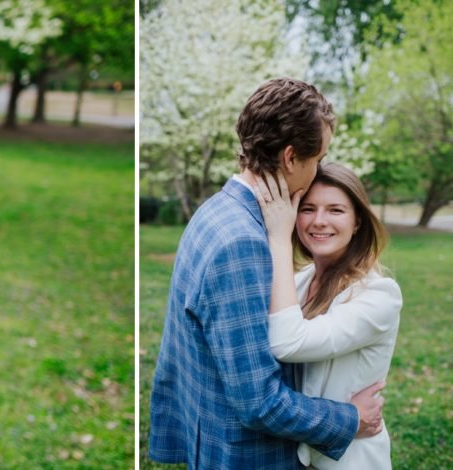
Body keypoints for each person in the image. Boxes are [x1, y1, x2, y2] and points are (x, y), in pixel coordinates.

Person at [148, 77, 386, 468]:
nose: (318, 170)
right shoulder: (243, 243)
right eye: (317, 159)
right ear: (291, 158)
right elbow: (258, 402)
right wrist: (351, 419)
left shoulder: (216, 209)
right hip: (247, 455)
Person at [254, 163, 401, 469]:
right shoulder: (300, 281)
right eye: (308, 209)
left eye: (335, 210)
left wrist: (278, 239)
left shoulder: (378, 295)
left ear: (358, 220)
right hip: (295, 453)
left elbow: (286, 343)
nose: (319, 221)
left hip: (349, 458)